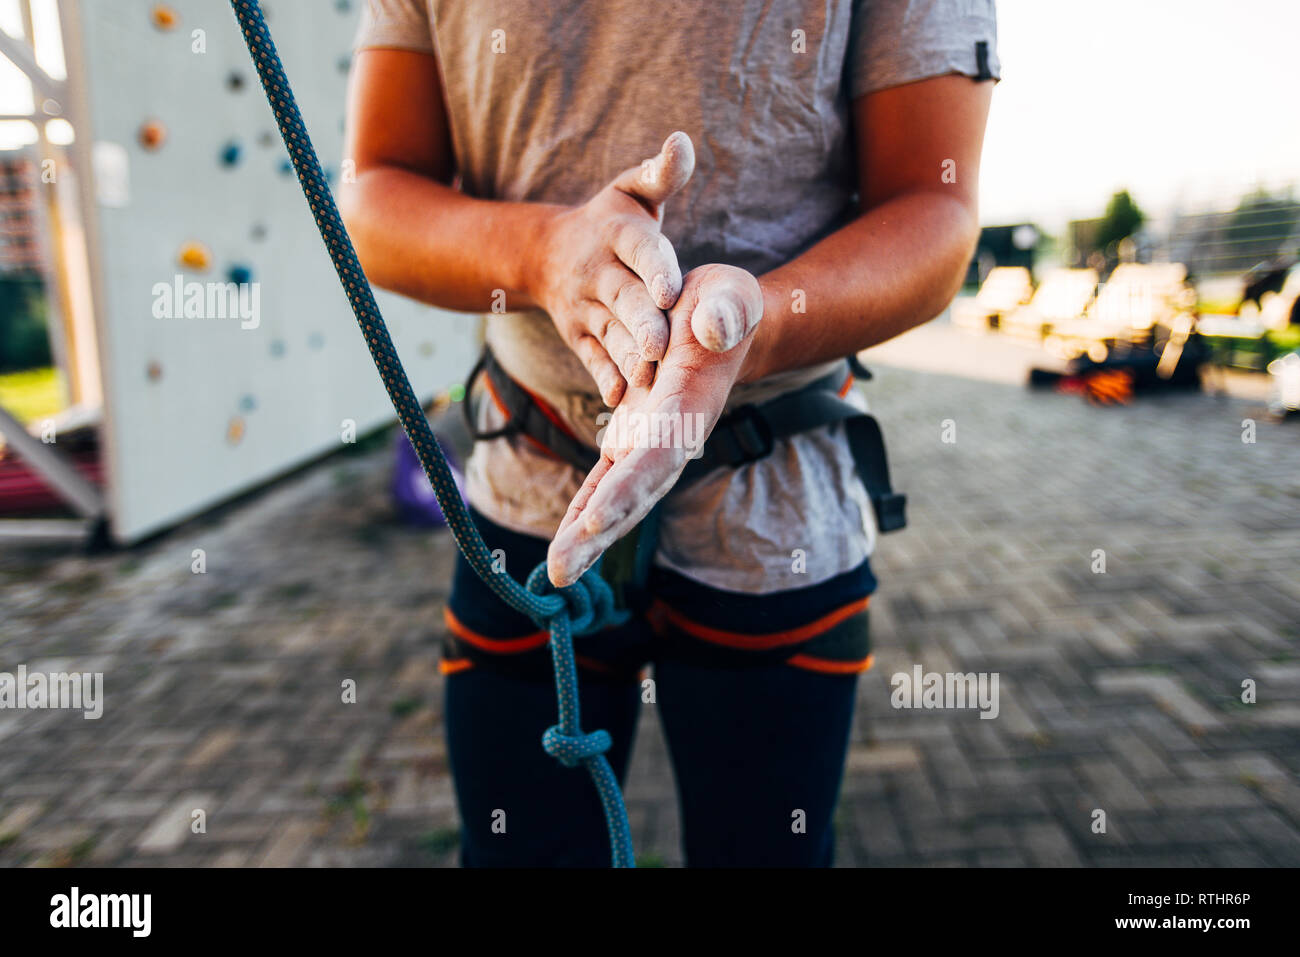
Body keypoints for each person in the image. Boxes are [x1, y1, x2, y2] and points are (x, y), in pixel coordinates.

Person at [342, 0, 998, 867]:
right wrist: (538, 253)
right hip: (530, 491)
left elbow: (934, 204)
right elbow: (375, 188)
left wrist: (756, 325)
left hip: (773, 506)